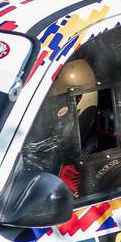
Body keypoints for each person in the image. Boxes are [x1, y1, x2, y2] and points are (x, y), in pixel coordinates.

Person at [21, 57, 100, 193]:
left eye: (47, 109)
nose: (40, 117)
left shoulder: (91, 159)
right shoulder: (26, 149)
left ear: (77, 100)